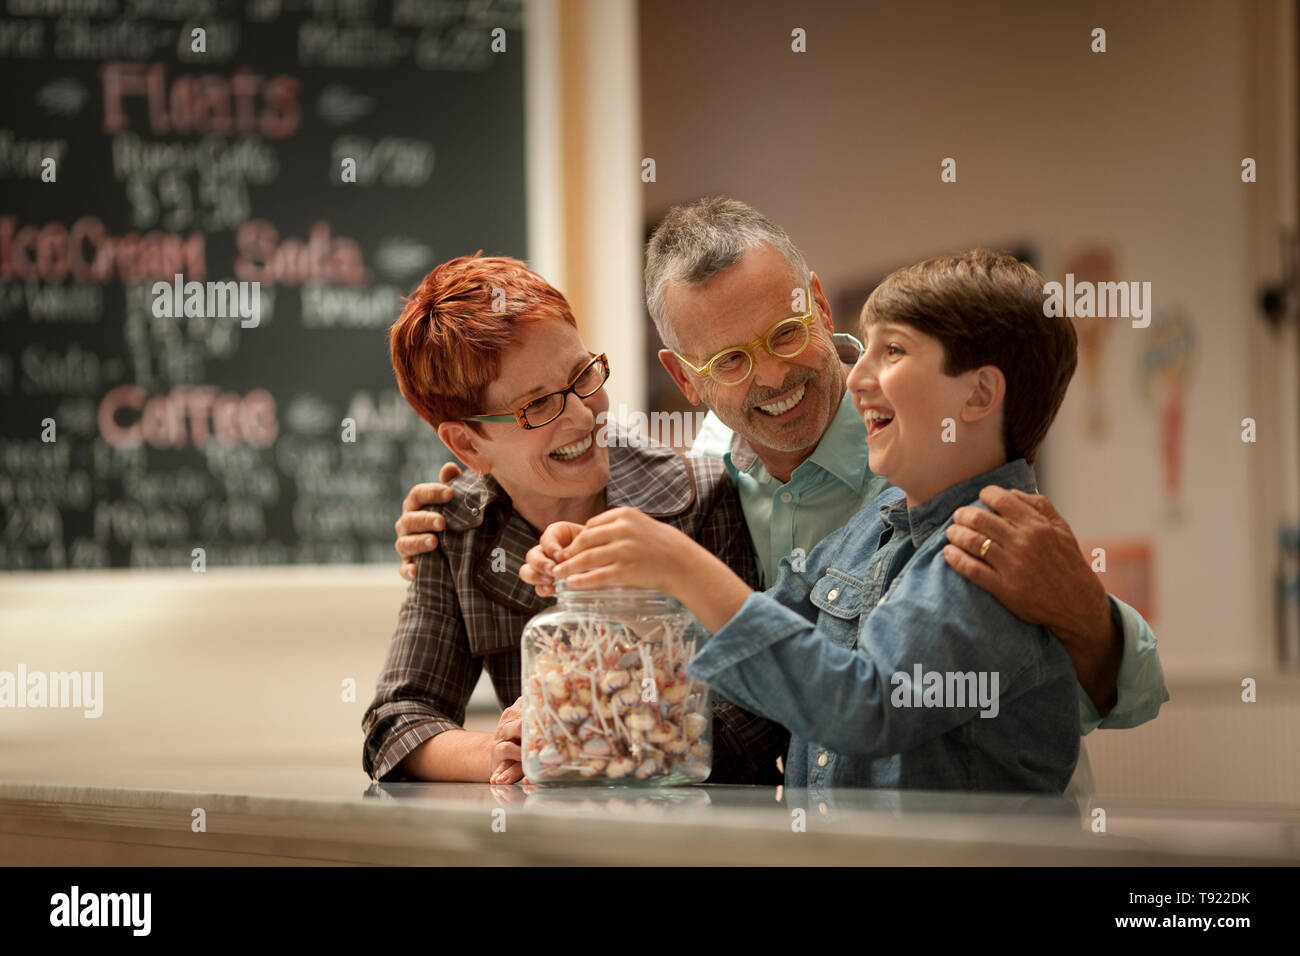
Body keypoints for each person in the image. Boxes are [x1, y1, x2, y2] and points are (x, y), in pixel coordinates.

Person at [395, 197, 1168, 781]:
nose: (771, 376)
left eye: (787, 334)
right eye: (729, 362)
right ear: (685, 381)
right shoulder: (692, 476)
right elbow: (734, 651)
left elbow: (1122, 689)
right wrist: (483, 506)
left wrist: (1087, 623)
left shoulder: (935, 466)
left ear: (822, 308)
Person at [524, 250, 1083, 791]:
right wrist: (613, 576)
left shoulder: (989, 555)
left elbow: (868, 708)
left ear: (980, 393)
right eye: (865, 350)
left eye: (892, 352)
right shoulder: (879, 523)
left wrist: (682, 566)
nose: (857, 377)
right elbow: (746, 632)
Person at [361, 253, 777, 786]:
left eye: (583, 374)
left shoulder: (700, 495)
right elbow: (395, 723)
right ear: (468, 444)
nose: (583, 415)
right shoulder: (454, 531)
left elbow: (761, 716)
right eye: (537, 407)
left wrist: (581, 739)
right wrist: (502, 749)